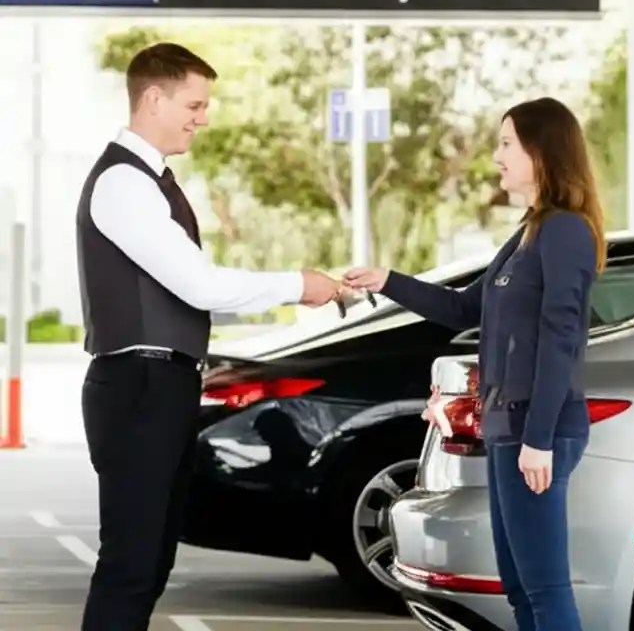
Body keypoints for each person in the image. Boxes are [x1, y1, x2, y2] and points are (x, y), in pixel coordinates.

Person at [75, 42, 344, 631]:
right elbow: (198, 284)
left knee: (149, 561)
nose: (203, 117)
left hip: (157, 383)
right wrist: (298, 284)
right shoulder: (123, 183)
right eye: (193, 104)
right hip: (138, 384)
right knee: (131, 562)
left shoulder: (149, 180)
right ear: (152, 99)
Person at [344, 97, 605, 631]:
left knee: (545, 588)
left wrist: (538, 438)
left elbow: (562, 339)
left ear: (543, 151)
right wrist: (388, 280)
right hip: (509, 427)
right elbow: (464, 307)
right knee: (520, 589)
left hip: (539, 429)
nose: (497, 156)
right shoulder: (529, 232)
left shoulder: (564, 231)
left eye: (507, 143)